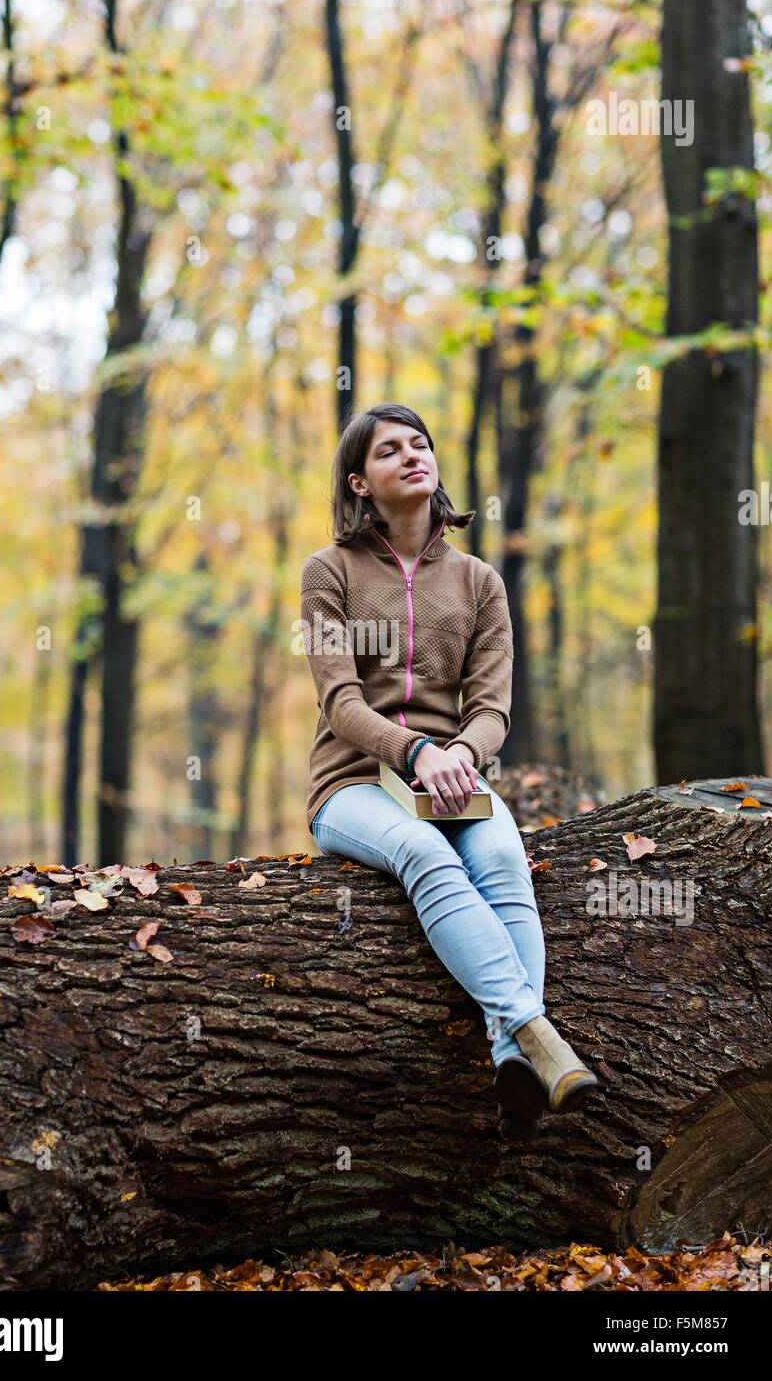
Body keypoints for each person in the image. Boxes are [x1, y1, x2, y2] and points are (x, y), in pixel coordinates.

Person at [299, 402, 599, 1139]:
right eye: (389, 450)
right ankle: (534, 1028)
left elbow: (492, 708)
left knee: (501, 857)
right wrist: (415, 752)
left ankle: (514, 1065)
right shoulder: (327, 572)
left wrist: (461, 753)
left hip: (453, 778)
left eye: (420, 444)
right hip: (355, 785)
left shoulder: (478, 582)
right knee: (423, 853)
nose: (412, 456)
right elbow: (340, 703)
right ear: (359, 482)